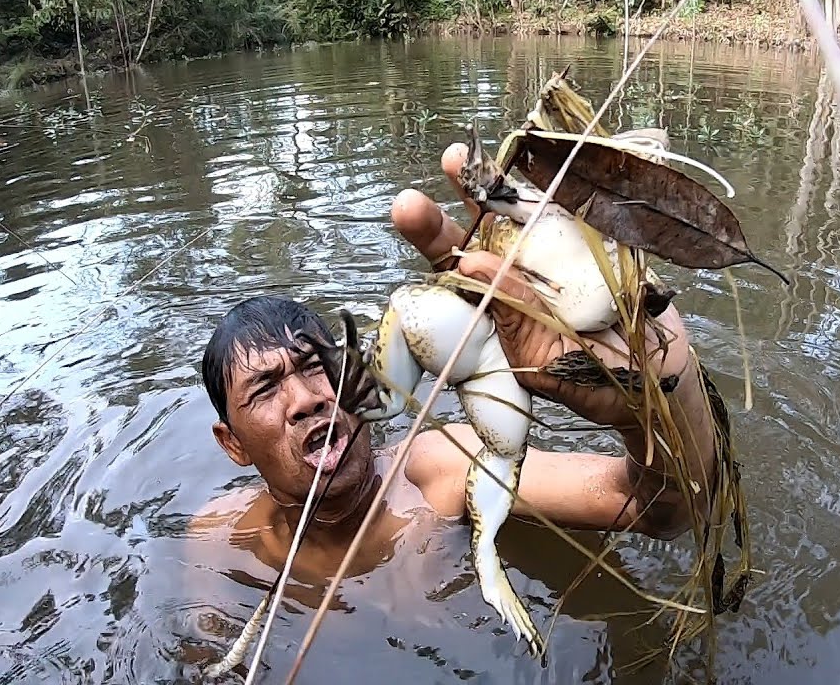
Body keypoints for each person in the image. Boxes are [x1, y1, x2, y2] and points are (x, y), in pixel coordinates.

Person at [186, 142, 722, 673]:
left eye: (316, 366)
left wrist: (655, 399)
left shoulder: (441, 469)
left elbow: (663, 509)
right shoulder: (219, 543)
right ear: (232, 443)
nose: (307, 399)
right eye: (265, 390)